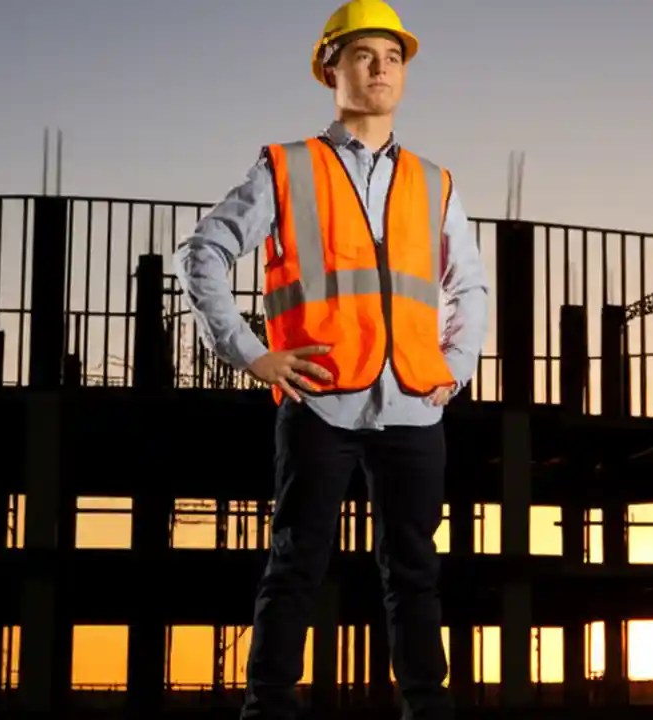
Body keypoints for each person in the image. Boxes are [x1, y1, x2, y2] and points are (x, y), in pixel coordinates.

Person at [172, 1, 489, 717]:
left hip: (414, 401)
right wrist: (250, 353)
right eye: (364, 54)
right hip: (320, 399)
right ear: (331, 67)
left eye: (393, 57)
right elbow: (204, 252)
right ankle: (269, 707)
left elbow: (466, 282)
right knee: (296, 564)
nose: (381, 68)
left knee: (414, 571)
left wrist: (456, 364)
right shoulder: (287, 166)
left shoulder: (434, 181)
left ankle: (424, 707)